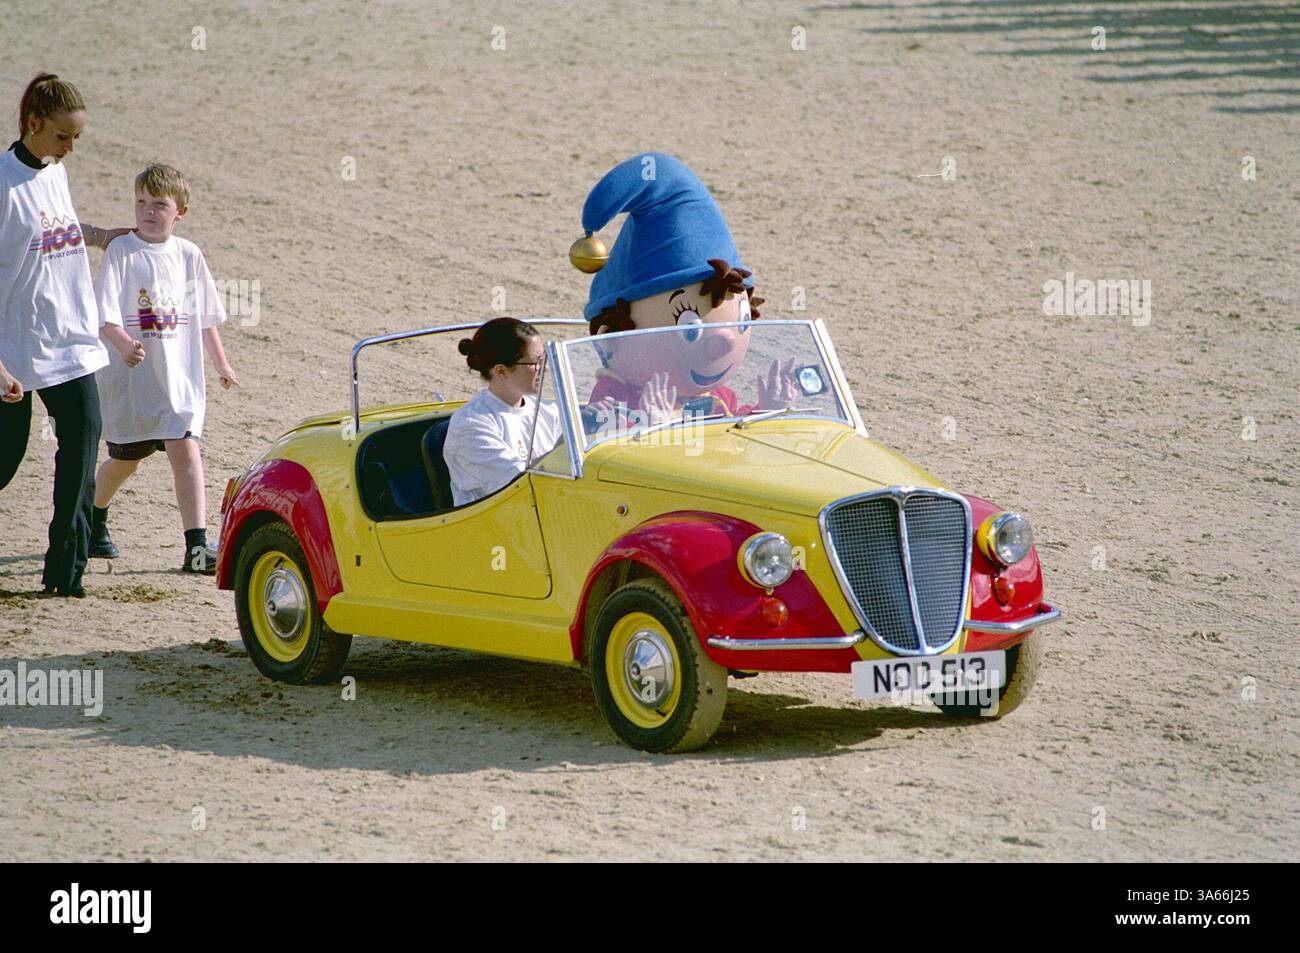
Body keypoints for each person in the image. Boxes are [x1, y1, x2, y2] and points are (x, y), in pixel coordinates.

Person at [0, 73, 131, 597]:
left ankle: (64, 572)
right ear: (33, 123)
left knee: (81, 445)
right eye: (62, 136)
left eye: (77, 138)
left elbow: (62, 227)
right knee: (4, 463)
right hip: (13, 350)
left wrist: (102, 237)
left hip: (71, 343)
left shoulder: (54, 172)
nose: (70, 148)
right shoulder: (3, 186)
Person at [90, 163, 237, 573]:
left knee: (186, 450)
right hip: (134, 383)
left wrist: (222, 364)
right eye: (140, 203)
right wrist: (124, 345)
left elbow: (205, 316)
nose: (147, 212)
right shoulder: (121, 251)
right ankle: (92, 515)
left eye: (159, 204)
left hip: (180, 382)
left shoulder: (189, 255)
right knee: (126, 461)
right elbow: (104, 316)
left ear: (180, 212)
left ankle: (195, 547)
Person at [443, 317, 562, 507]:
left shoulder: (548, 411)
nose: (545, 368)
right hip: (498, 525)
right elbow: (520, 485)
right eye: (535, 363)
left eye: (544, 359)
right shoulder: (470, 425)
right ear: (501, 371)